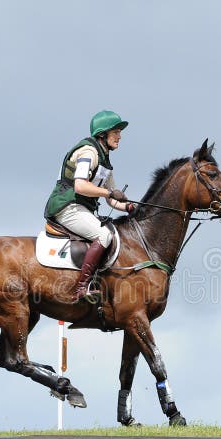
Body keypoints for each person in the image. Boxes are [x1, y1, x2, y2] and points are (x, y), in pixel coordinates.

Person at [44, 110, 135, 302]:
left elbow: (111, 200)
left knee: (112, 232)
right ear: (103, 133)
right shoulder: (88, 152)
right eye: (116, 132)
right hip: (67, 206)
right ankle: (81, 288)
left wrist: (129, 208)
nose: (120, 136)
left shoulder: (105, 161)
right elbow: (80, 185)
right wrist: (109, 193)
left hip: (81, 208)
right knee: (103, 235)